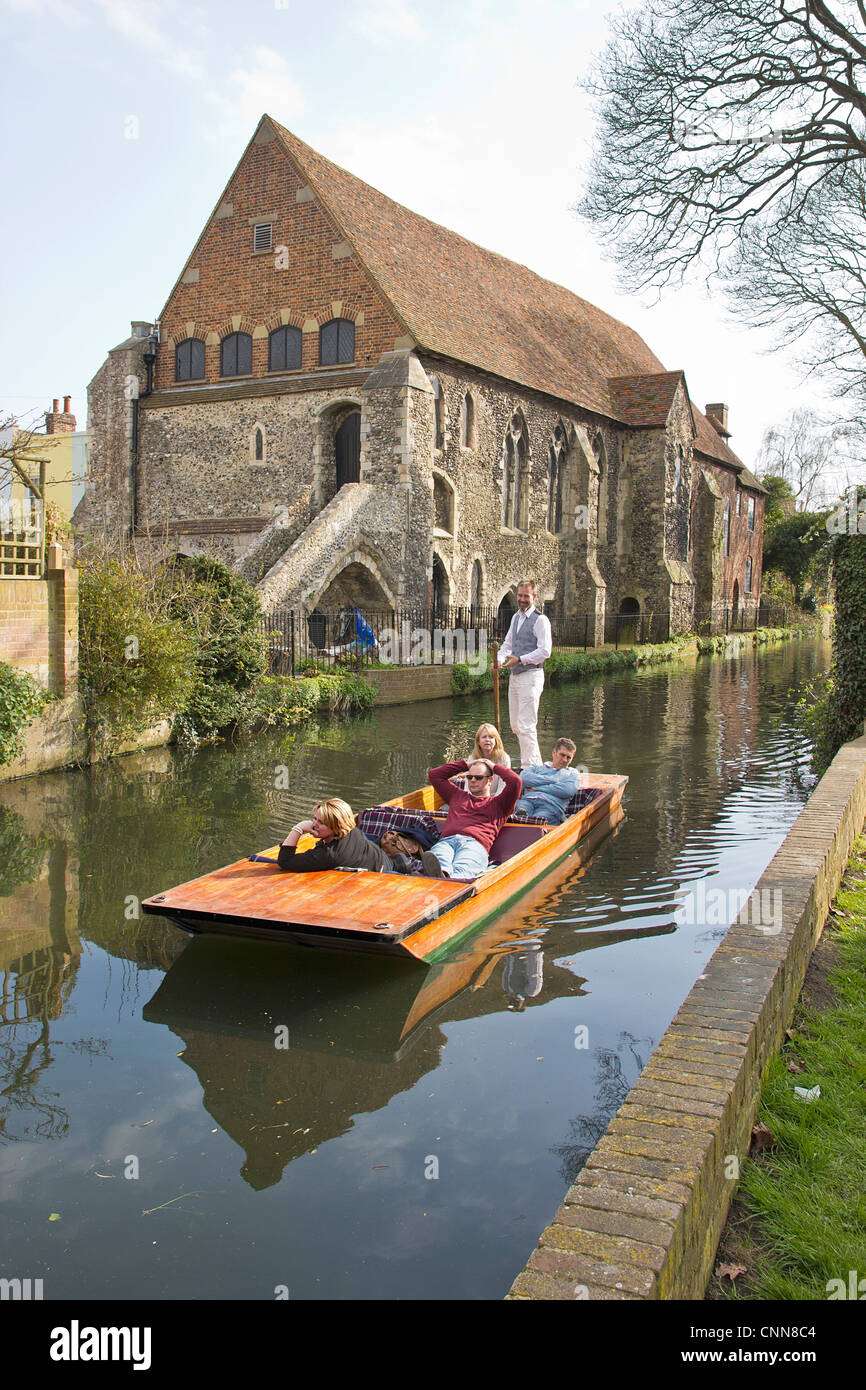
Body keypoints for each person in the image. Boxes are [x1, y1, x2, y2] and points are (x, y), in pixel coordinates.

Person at [278, 799, 440, 877]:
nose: (313, 824)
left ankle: (419, 875)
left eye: (321, 822)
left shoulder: (329, 855)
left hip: (386, 869)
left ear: (336, 827)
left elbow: (284, 861)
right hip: (382, 858)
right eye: (314, 819)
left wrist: (298, 829)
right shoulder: (351, 830)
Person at [426, 757, 522, 878]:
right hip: (447, 841)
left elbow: (515, 781)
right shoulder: (457, 795)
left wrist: (494, 767)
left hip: (474, 845)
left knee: (462, 870)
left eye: (479, 777)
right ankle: (443, 875)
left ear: (490, 780)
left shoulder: (500, 804)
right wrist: (466, 765)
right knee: (439, 859)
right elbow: (434, 775)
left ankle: (450, 880)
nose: (473, 780)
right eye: (470, 777)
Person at [498, 578, 552, 769]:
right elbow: (508, 644)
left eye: (525, 596)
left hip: (531, 675)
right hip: (515, 675)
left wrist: (520, 659)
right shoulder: (515, 618)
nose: (521, 599)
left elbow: (545, 651)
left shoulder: (540, 620)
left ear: (534, 596)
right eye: (519, 595)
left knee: (526, 725)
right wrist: (499, 660)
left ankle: (530, 770)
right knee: (515, 725)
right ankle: (534, 765)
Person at [514, 739, 581, 825]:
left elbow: (567, 790)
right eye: (562, 755)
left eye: (568, 757)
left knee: (539, 820)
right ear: (554, 752)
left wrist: (536, 787)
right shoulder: (536, 767)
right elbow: (523, 779)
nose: (565, 760)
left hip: (550, 806)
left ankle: (529, 828)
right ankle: (520, 821)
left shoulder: (572, 773)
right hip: (528, 800)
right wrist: (553, 780)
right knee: (520, 809)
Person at [461, 723, 511, 796]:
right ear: (478, 741)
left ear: (496, 741)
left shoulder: (504, 758)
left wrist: (494, 801)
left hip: (496, 797)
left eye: (491, 737)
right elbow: (467, 787)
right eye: (484, 737)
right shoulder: (472, 758)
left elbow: (503, 786)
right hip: (476, 797)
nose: (487, 740)